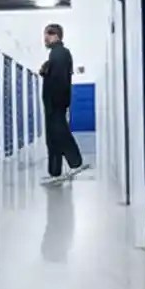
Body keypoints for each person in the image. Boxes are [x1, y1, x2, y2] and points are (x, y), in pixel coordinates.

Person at [39, 24, 87, 184]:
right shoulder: (56, 55)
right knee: (53, 138)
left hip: (55, 103)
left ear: (56, 36)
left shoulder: (59, 54)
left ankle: (75, 162)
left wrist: (56, 103)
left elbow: (59, 81)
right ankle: (55, 172)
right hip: (53, 103)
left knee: (59, 134)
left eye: (48, 35)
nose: (45, 38)